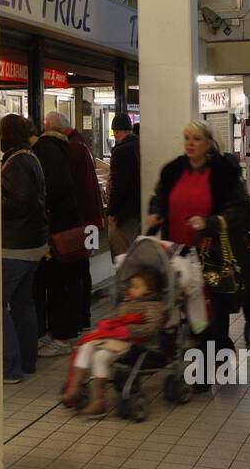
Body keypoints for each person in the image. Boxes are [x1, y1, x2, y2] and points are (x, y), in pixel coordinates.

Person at [145, 119, 250, 371]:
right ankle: (203, 354)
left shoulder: (224, 172)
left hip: (210, 253)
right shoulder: (172, 171)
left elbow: (242, 209)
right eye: (186, 138)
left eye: (196, 139)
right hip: (178, 251)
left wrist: (211, 222)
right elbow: (158, 198)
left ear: (208, 143)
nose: (190, 144)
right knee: (184, 307)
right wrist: (155, 212)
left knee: (211, 309)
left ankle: (208, 367)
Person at [60, 268, 164, 415]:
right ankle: (74, 388)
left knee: (99, 356)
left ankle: (98, 401)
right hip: (114, 339)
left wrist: (129, 330)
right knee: (86, 347)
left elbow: (152, 327)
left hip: (134, 344)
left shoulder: (153, 306)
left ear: (150, 290)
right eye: (131, 286)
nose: (131, 290)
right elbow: (113, 315)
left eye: (136, 287)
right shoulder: (127, 302)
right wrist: (106, 323)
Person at [0, 114, 47, 384]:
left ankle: (9, 366)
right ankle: (28, 361)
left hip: (14, 246)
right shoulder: (30, 157)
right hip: (32, 243)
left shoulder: (17, 162)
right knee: (22, 304)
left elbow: (20, 204)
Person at [32, 111, 83, 356]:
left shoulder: (46, 149)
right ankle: (59, 332)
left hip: (54, 231)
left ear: (45, 127)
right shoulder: (70, 148)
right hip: (69, 227)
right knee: (64, 281)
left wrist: (42, 202)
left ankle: (58, 335)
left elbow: (56, 186)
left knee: (53, 283)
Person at [66, 120, 106, 334]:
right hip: (92, 220)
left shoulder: (72, 149)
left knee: (80, 265)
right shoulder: (81, 146)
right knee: (85, 264)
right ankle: (85, 313)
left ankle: (82, 312)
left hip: (82, 222)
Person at [106, 113, 141, 257]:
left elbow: (119, 186)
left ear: (116, 131)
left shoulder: (121, 151)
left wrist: (112, 212)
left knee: (121, 255)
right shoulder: (140, 145)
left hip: (123, 214)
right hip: (137, 211)